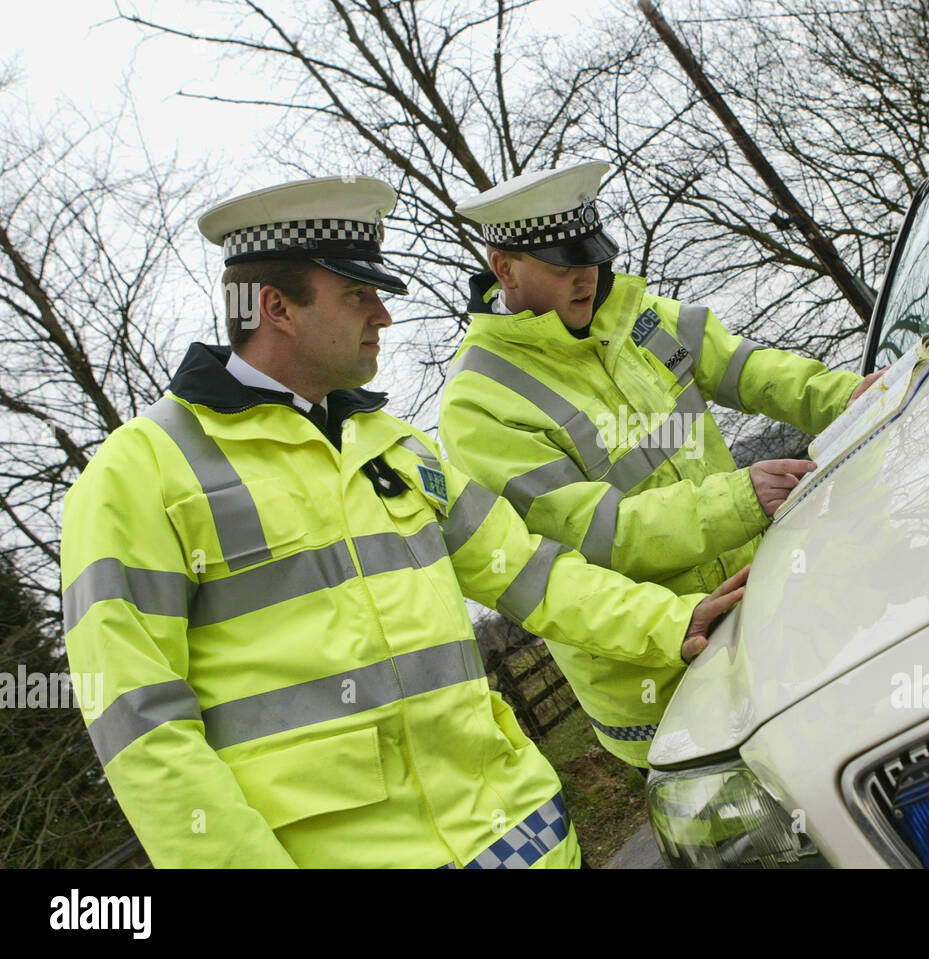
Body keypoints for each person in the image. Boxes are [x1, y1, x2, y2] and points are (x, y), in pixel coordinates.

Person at [59, 175, 744, 868]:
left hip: (531, 846)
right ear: (276, 308)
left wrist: (667, 621)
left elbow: (529, 572)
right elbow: (143, 730)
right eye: (358, 294)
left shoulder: (396, 446)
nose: (383, 315)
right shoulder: (138, 475)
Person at [440, 161, 881, 767]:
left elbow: (747, 370)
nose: (586, 278)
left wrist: (848, 397)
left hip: (760, 610)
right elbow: (597, 535)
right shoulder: (478, 403)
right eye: (562, 265)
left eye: (592, 256)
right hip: (663, 681)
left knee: (849, 770)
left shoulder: (635, 318)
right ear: (503, 267)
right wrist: (742, 499)